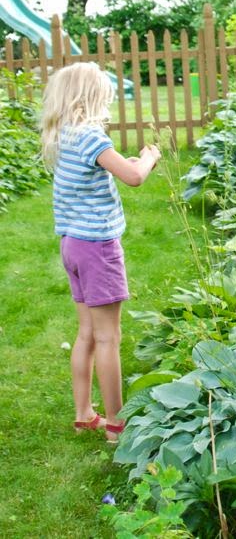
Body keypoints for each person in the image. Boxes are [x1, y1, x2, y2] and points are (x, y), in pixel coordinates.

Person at [40, 62, 161, 444]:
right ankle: (116, 424)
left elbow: (107, 168)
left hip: (72, 245)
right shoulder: (92, 137)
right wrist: (150, 157)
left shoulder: (63, 136)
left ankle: (84, 413)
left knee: (87, 333)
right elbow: (134, 176)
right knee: (109, 338)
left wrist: (128, 162)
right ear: (94, 98)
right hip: (97, 248)